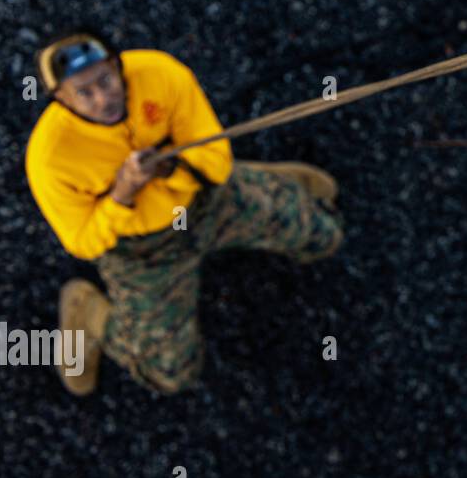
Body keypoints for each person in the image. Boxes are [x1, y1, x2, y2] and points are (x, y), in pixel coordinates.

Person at [25, 28, 344, 396]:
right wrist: (122, 195)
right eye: (84, 92)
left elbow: (216, 164)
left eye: (106, 79)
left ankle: (259, 182)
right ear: (59, 98)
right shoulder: (50, 159)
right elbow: (84, 242)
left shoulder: (161, 74)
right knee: (171, 373)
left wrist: (170, 169)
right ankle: (87, 312)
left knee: (324, 236)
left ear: (117, 64)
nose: (103, 98)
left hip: (206, 202)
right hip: (143, 250)